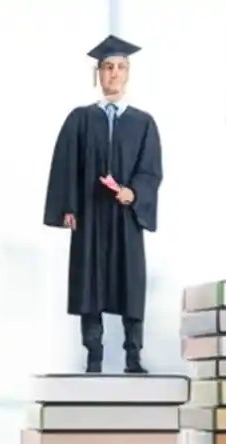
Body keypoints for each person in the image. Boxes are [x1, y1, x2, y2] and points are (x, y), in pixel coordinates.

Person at [44, 35, 163, 374]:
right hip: (90, 214)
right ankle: (93, 356)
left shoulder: (143, 123)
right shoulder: (79, 119)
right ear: (98, 74)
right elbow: (65, 165)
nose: (114, 73)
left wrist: (135, 193)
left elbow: (151, 169)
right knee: (89, 285)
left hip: (125, 215)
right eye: (108, 67)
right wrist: (67, 206)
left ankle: (133, 356)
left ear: (128, 74)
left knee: (131, 282)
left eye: (121, 67)